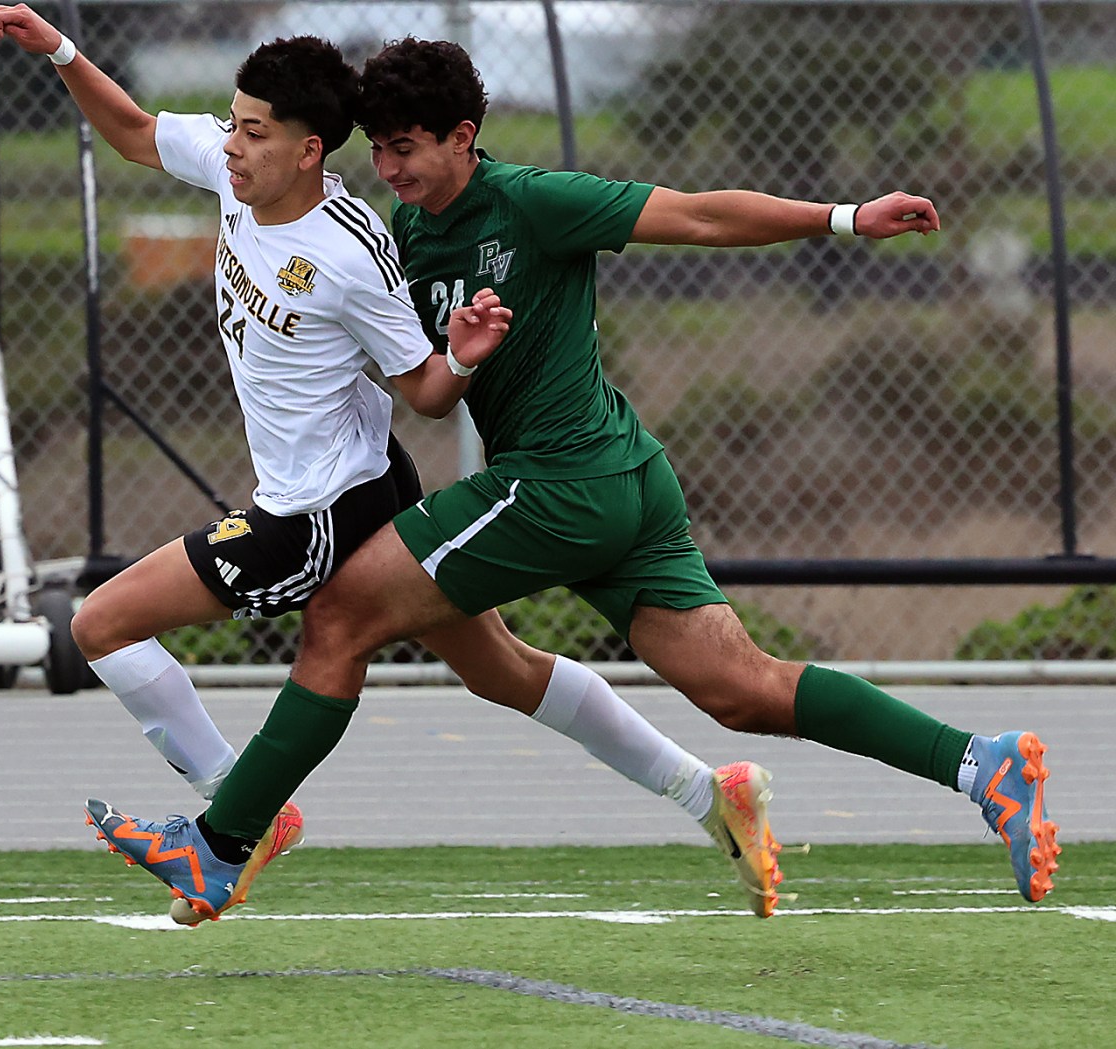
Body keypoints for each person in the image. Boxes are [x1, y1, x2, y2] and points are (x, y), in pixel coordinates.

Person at [133, 36, 1061, 918]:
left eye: (408, 147)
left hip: (558, 483)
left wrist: (844, 218)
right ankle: (981, 765)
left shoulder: (533, 200)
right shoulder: (401, 231)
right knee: (741, 688)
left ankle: (221, 841)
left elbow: (696, 213)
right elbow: (401, 366)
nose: (391, 167)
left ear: (464, 138)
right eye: (377, 148)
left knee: (341, 614)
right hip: (619, 479)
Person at [0, 9, 789, 923]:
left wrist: (468, 352)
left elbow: (429, 389)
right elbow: (129, 130)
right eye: (231, 125)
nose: (230, 146)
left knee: (101, 623)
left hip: (318, 511)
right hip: (352, 485)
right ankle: (709, 794)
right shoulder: (232, 169)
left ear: (310, 148)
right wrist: (61, 52)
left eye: (253, 132)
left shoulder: (354, 253)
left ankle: (236, 816)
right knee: (502, 670)